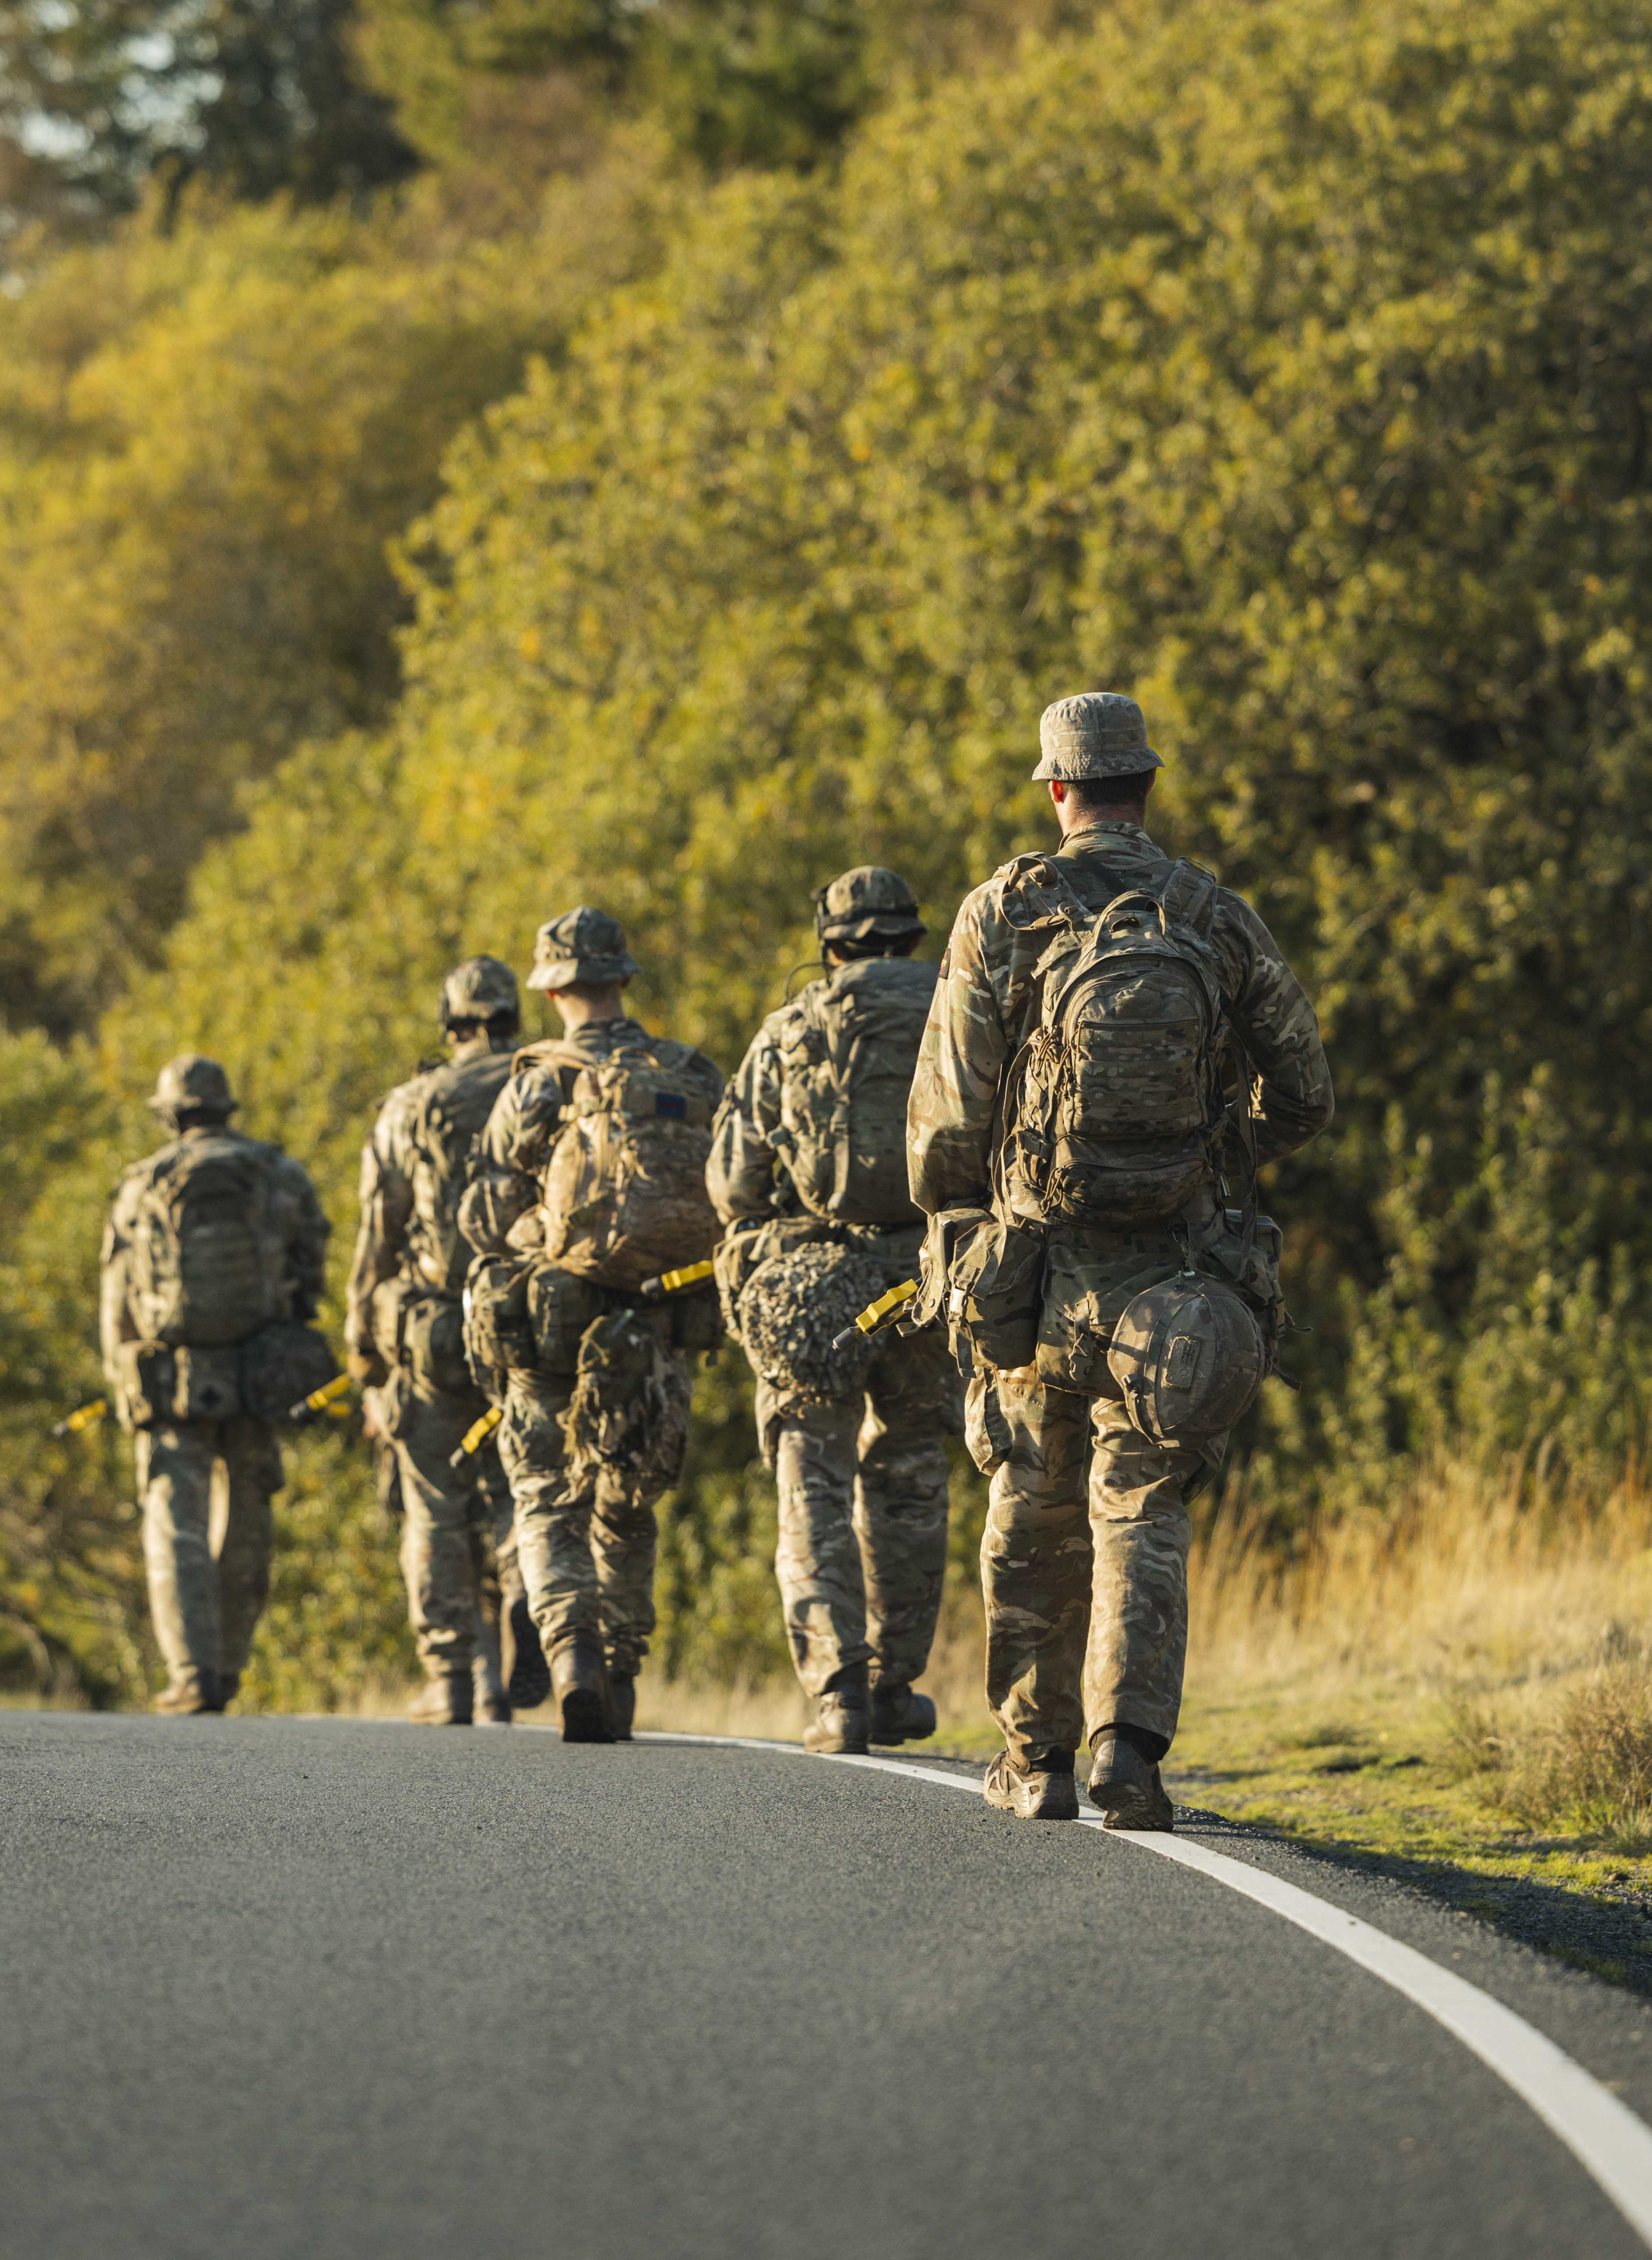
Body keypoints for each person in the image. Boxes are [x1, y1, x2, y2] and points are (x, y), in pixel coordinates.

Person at [908, 692, 1332, 1827]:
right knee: (1139, 1504)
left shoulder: (1004, 910)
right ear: (1143, 783)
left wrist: (959, 1227)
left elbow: (946, 1113)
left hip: (1032, 1267)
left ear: (1055, 789)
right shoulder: (1208, 913)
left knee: (1028, 1505)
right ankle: (1126, 1751)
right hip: (1175, 1274)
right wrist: (1215, 1149)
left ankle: (1034, 1757)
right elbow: (1304, 1089)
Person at [462, 908, 726, 1746]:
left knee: (544, 1492)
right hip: (658, 1316)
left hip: (554, 1317)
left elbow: (487, 1207)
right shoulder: (688, 1072)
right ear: (622, 977)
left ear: (549, 987)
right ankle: (620, 1666)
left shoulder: (538, 1080)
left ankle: (570, 1652)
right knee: (629, 1496)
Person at [709, 867, 952, 1757]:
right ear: (912, 936)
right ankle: (897, 1683)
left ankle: (837, 1690)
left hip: (817, 1283)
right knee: (912, 1469)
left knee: (810, 1474)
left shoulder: (789, 1028)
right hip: (931, 1272)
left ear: (833, 942)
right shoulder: (961, 1008)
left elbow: (733, 1183)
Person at [348, 957, 547, 1725]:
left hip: (430, 1329)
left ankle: (453, 1680)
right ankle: (528, 1596)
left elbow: (378, 1237)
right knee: (517, 1487)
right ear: (510, 1019)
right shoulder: (544, 1085)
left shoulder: (408, 1105)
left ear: (451, 1023)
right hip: (528, 1318)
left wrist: (362, 1352)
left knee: (433, 1501)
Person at [101, 1054, 333, 1714]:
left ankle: (191, 1672)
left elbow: (117, 1293)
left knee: (175, 1519)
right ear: (225, 1109)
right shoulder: (277, 1172)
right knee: (250, 1511)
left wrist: (124, 1371)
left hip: (172, 1371)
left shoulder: (143, 1183)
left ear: (172, 1114)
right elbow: (309, 1263)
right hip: (261, 1365)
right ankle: (230, 1665)